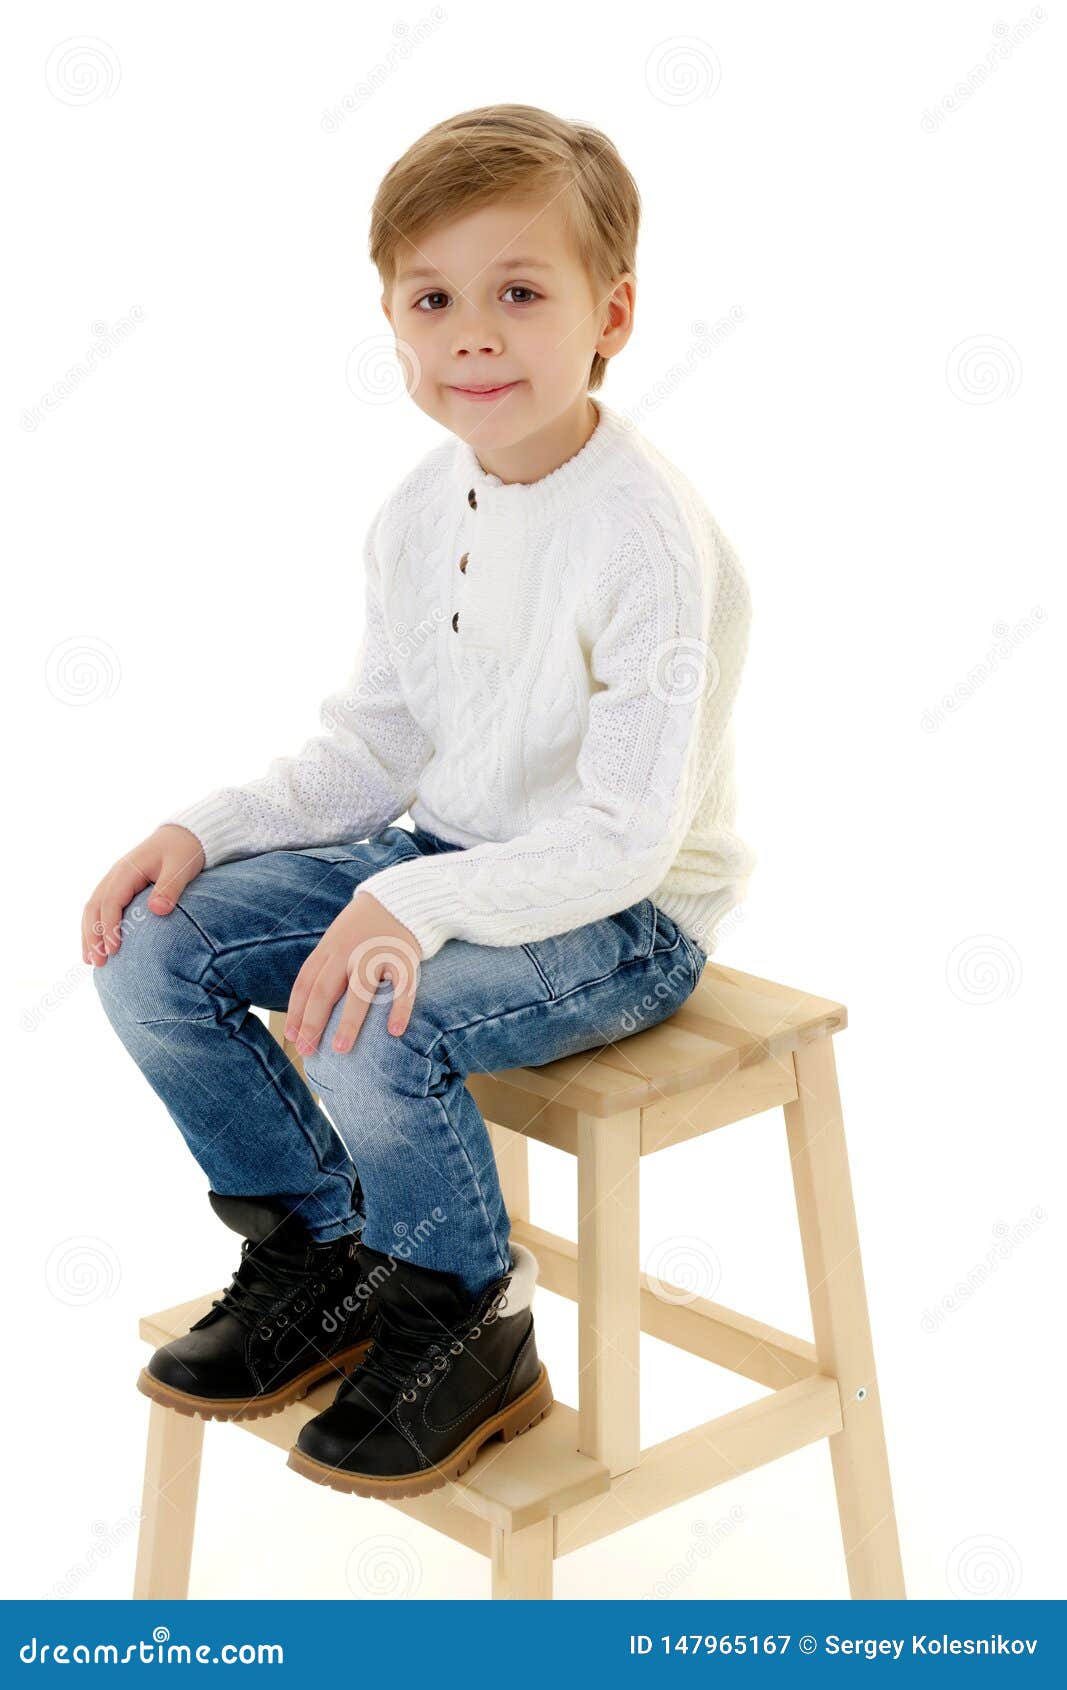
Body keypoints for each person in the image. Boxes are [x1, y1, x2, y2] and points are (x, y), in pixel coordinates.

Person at [84, 103, 756, 1500]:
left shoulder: (645, 535)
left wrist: (403, 903)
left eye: (520, 293)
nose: (473, 335)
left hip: (622, 909)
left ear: (612, 314)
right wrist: (205, 828)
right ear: (392, 324)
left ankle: (463, 1309)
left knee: (367, 1010)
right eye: (433, 298)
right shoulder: (416, 509)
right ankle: (320, 1251)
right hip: (451, 856)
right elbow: (375, 743)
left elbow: (625, 835)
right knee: (157, 938)